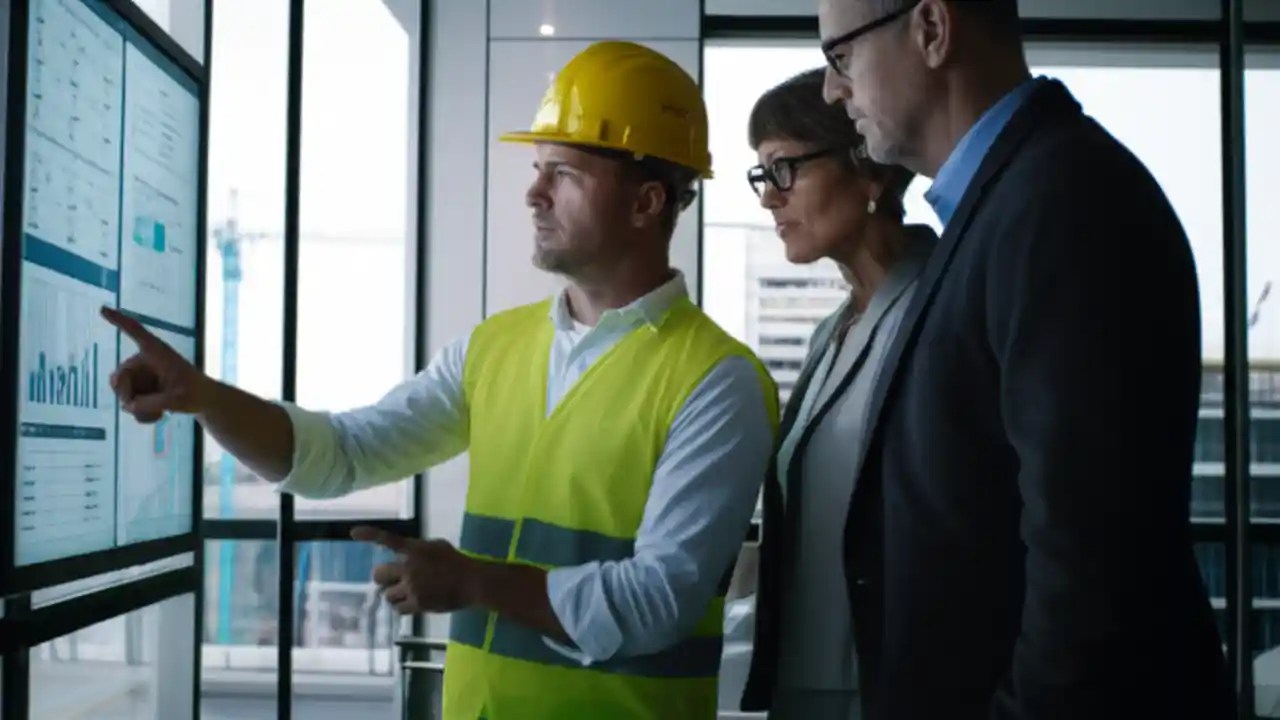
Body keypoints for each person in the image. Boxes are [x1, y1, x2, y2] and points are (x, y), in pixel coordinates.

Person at [102, 40, 779, 720]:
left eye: (565, 173)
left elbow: (657, 602)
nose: (533, 193)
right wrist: (205, 399)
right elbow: (340, 454)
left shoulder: (718, 382)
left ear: (646, 203)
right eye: (538, 168)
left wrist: (472, 581)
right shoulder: (494, 349)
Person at [810, 0, 1234, 718]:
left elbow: (1091, 571)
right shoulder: (1010, 203)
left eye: (841, 57)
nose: (831, 91)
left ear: (933, 30)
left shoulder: (1063, 204)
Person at [735, 68, 933, 720]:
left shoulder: (943, 305)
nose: (770, 198)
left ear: (869, 169)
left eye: (785, 168)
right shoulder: (831, 333)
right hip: (810, 675)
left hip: (896, 682)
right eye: (763, 175)